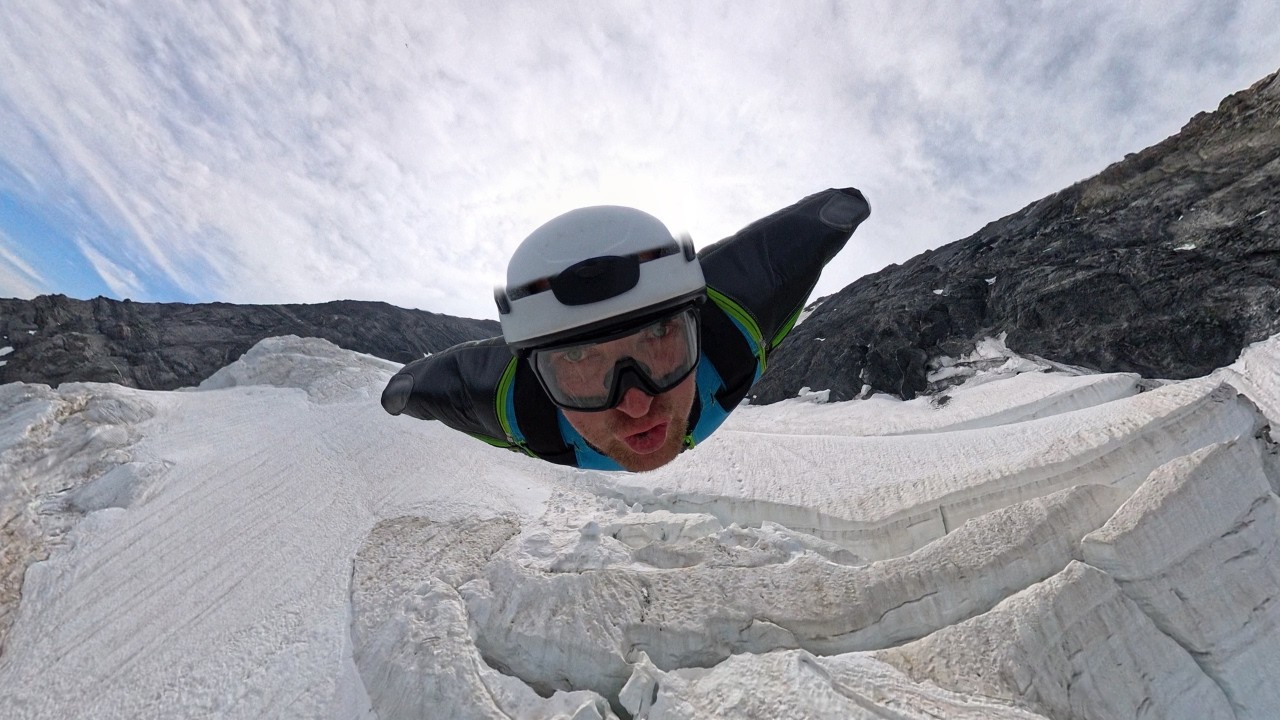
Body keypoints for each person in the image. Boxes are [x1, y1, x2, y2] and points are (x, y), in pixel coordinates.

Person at [381, 187, 870, 472]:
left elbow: (792, 241)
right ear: (536, 376)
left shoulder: (733, 321)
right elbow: (439, 384)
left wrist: (835, 214)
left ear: (698, 325)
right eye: (576, 359)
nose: (636, 405)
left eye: (659, 336)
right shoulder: (515, 403)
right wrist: (409, 389)